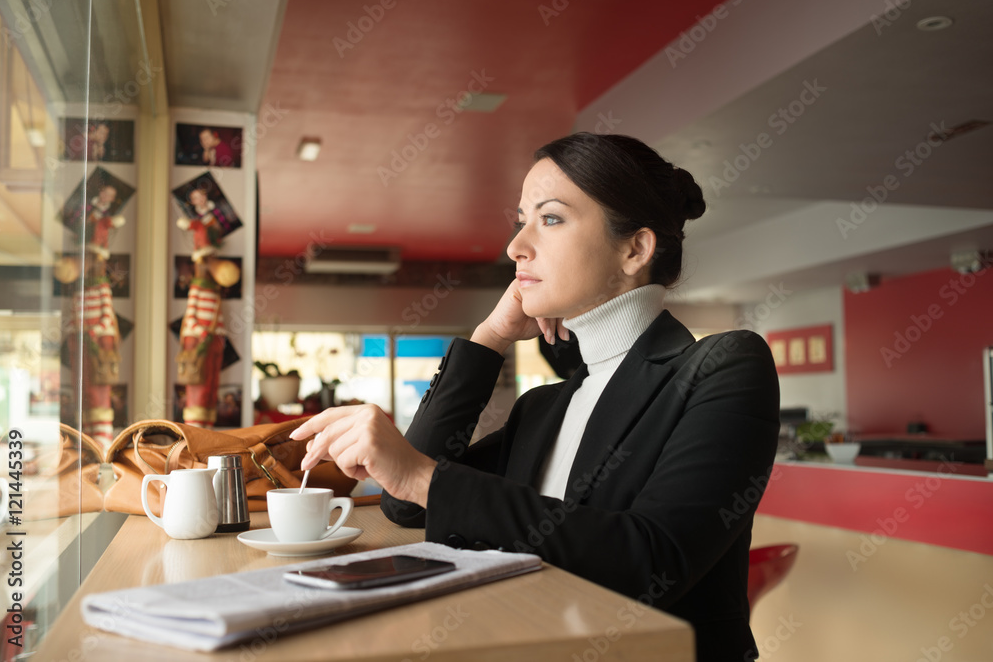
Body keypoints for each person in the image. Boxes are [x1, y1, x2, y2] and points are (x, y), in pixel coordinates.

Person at [290, 133, 780, 662]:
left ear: (635, 249)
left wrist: (420, 475)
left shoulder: (724, 366)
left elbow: (651, 562)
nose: (515, 246)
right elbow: (405, 504)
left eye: (550, 218)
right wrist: (490, 339)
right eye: (522, 219)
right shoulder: (544, 407)